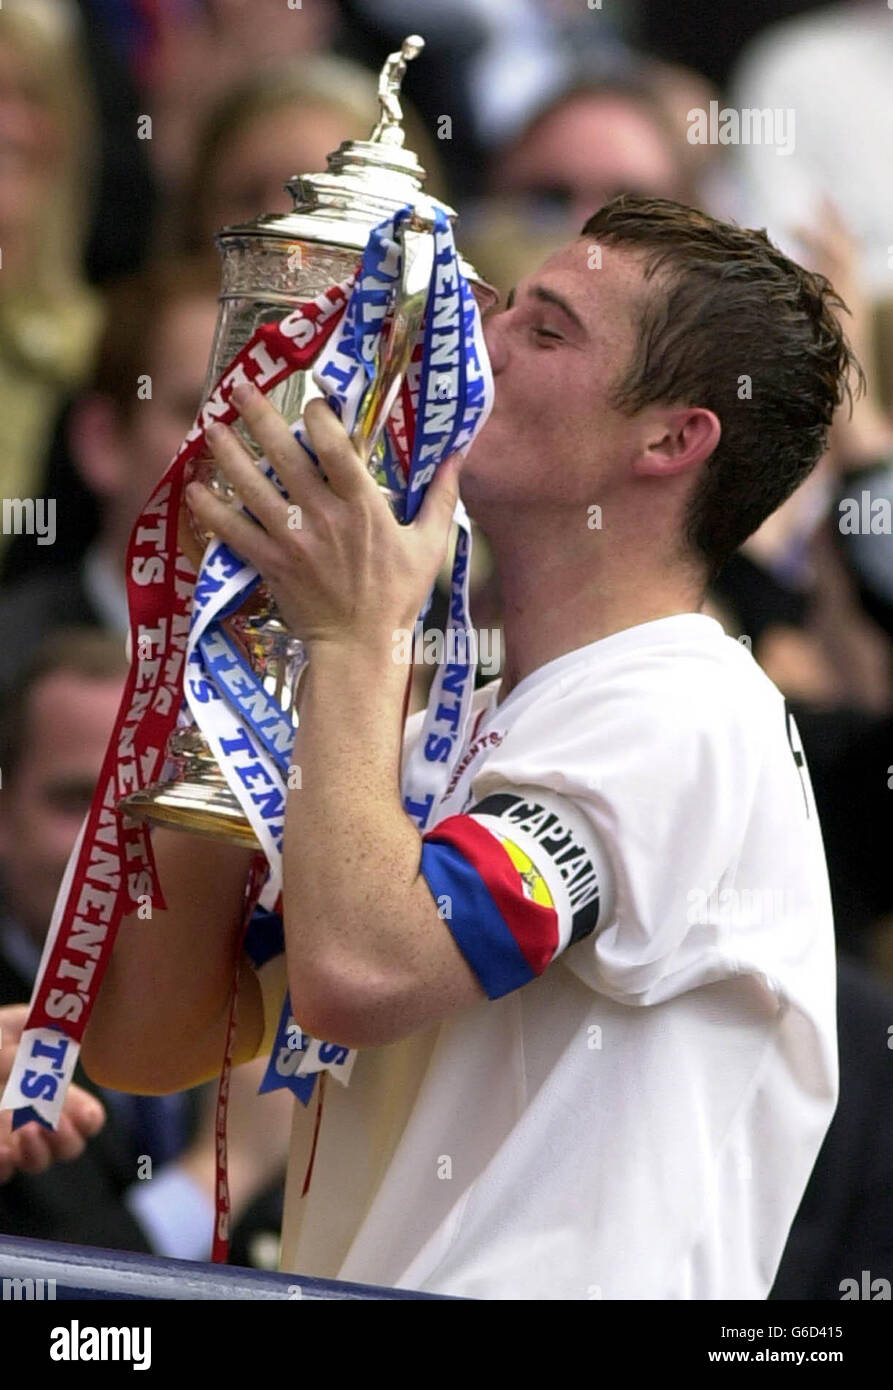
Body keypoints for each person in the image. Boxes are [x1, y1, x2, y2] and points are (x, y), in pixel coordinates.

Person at [81, 195, 853, 1299]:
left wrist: (351, 637)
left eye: (543, 331)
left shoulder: (685, 708)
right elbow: (152, 1038)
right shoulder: (436, 705)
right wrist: (244, 642)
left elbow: (360, 973)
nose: (473, 342)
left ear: (671, 438)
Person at [0, 631, 291, 1260]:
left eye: (157, 802)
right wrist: (224, 1171)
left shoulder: (267, 985)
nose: (118, 844)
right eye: (80, 800)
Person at [0, 257, 219, 694]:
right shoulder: (10, 660)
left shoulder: (335, 673)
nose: (237, 448)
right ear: (103, 442)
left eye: (267, 415)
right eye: (197, 411)